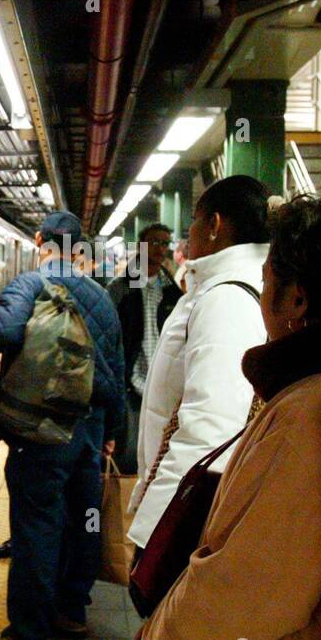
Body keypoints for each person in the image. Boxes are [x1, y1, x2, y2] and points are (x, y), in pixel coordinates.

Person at [129, 193, 321, 640]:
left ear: (297, 299)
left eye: (268, 283)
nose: (260, 299)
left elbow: (242, 590)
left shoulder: (313, 415)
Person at [0, 210, 125, 640]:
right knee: (84, 519)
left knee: (37, 522)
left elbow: (0, 333)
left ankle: (29, 634)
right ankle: (71, 610)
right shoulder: (101, 297)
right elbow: (115, 368)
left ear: (40, 240)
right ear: (78, 246)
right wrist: (113, 433)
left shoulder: (30, 284)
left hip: (42, 430)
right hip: (91, 428)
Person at [126, 176, 271, 551]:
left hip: (185, 526)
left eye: (193, 219)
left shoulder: (228, 299)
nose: (185, 233)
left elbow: (209, 431)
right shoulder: (218, 286)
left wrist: (155, 540)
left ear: (214, 225)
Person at [105, 223, 182, 479]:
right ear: (140, 246)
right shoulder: (119, 289)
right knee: (128, 457)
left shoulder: (173, 292)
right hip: (130, 385)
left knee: (159, 460)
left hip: (163, 386)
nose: (161, 249)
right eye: (155, 242)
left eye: (165, 243)